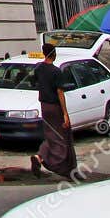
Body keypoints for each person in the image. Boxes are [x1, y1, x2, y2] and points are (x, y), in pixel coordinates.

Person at [30, 42, 77, 179]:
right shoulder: (56, 71)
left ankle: (39, 157)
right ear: (54, 54)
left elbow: (33, 82)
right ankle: (63, 167)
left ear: (44, 53)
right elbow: (60, 92)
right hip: (55, 107)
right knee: (63, 136)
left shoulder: (38, 68)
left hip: (44, 106)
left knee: (51, 135)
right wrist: (65, 113)